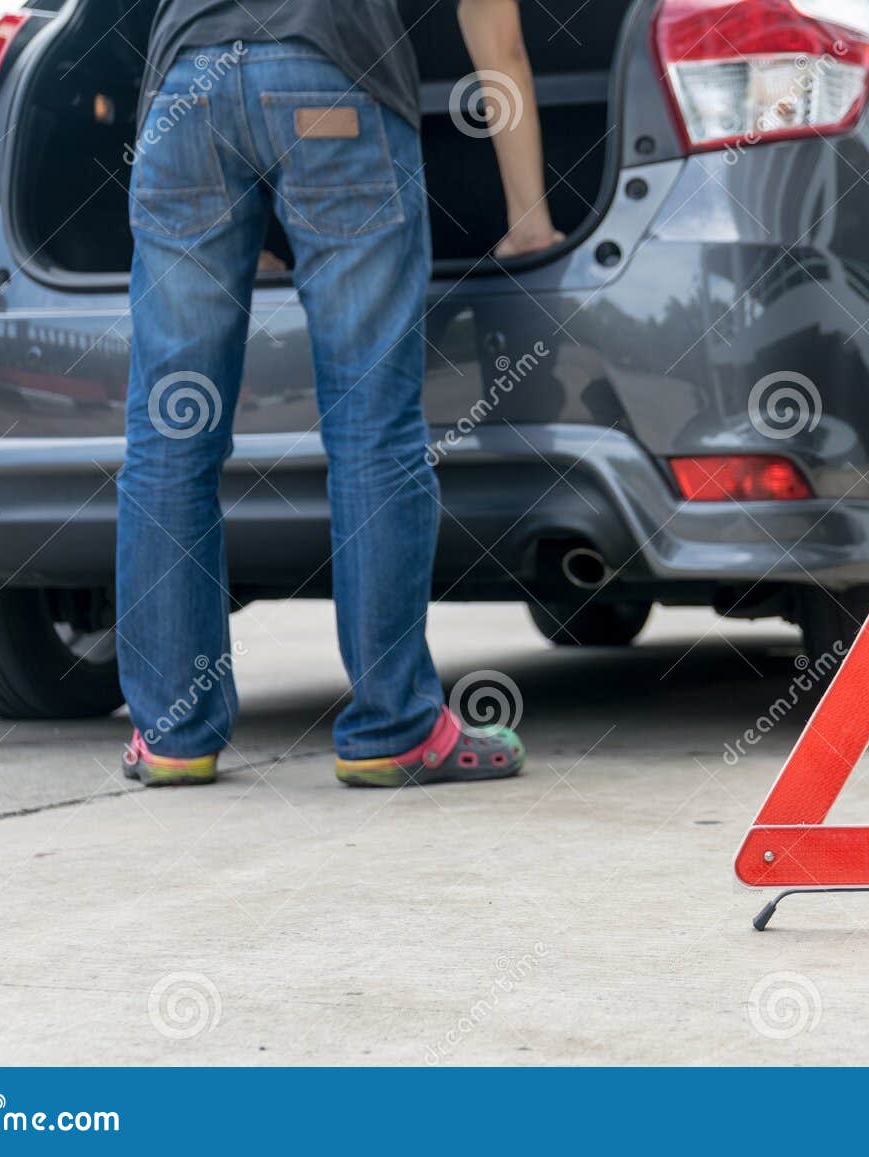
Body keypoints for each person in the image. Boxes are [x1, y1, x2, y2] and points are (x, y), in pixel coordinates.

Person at [117, 0, 557, 788]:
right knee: (372, 428)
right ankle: (393, 725)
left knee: (169, 433)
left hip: (185, 103)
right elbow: (494, 26)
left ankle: (174, 733)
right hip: (330, 91)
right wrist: (528, 220)